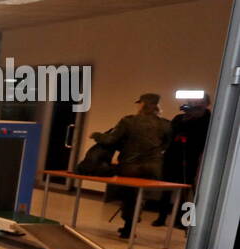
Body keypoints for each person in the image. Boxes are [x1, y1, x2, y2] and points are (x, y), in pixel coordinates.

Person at [90, 92, 171, 238]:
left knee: (129, 196)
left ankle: (128, 226)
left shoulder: (129, 121)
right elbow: (166, 145)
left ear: (142, 104)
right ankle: (131, 224)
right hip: (153, 167)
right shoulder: (165, 124)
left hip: (130, 166)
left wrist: (96, 135)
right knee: (140, 197)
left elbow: (110, 140)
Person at [153, 94, 211, 229]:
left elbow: (203, 138)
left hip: (191, 158)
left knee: (187, 190)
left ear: (207, 104)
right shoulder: (180, 118)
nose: (196, 103)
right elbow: (170, 133)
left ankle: (183, 220)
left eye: (200, 101)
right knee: (166, 188)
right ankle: (161, 217)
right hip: (172, 157)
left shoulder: (208, 120)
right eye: (194, 101)